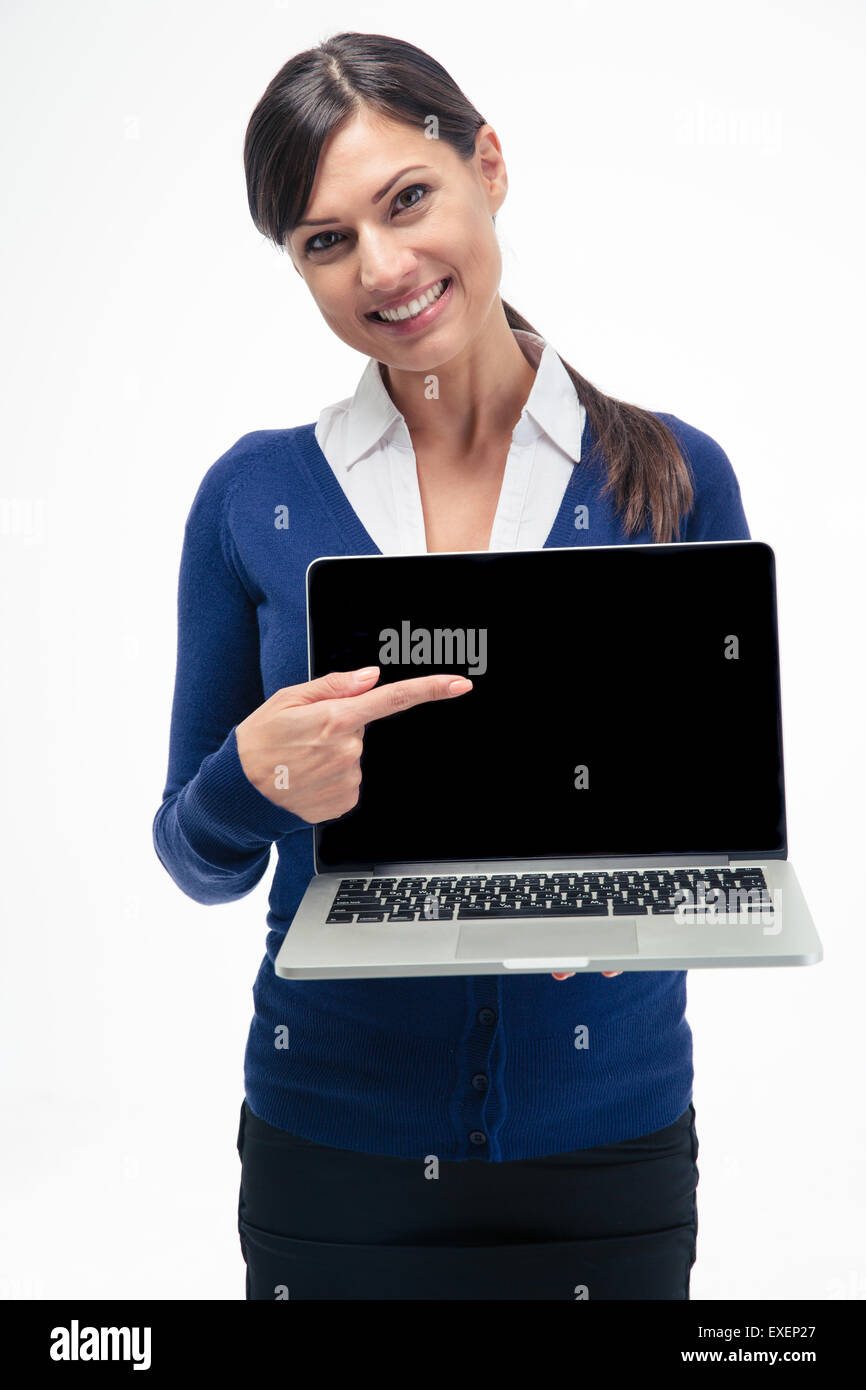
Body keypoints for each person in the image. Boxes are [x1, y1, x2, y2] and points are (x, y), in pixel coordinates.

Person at [153, 31, 751, 1300]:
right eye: (324, 240)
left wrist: (632, 927)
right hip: (329, 1148)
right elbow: (195, 857)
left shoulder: (674, 478)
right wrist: (247, 777)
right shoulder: (253, 497)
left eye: (406, 198)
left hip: (609, 1152)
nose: (382, 265)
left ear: (485, 163)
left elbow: (723, 837)